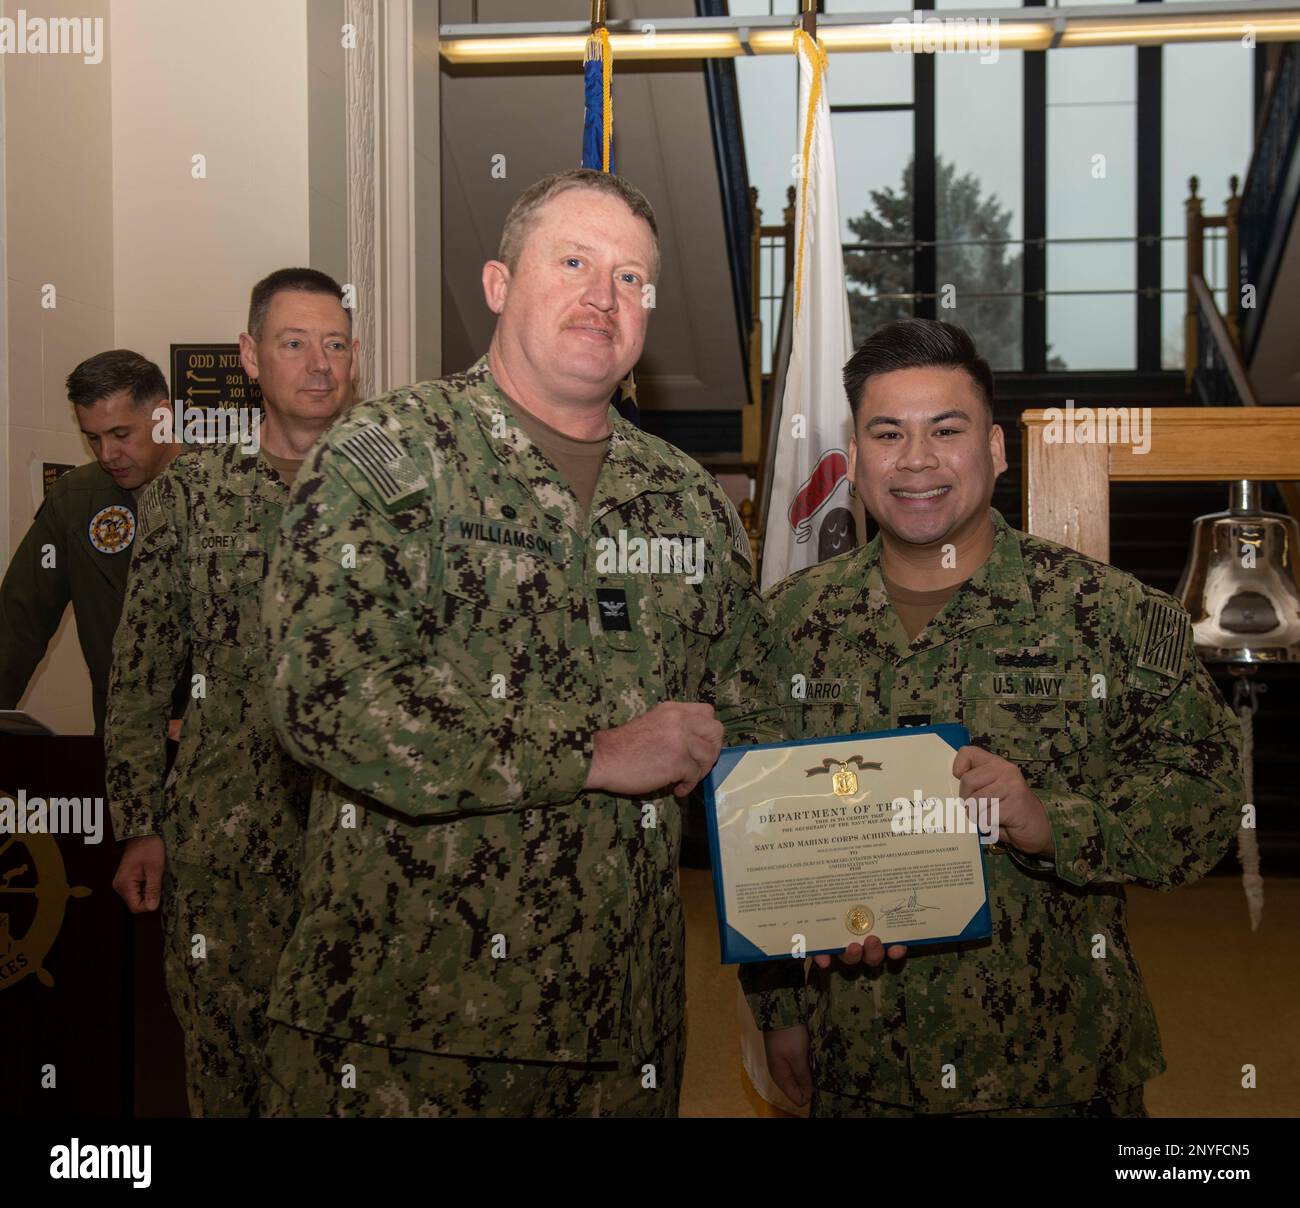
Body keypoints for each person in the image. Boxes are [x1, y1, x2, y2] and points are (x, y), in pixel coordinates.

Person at [259, 168, 775, 1118]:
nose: (601, 296)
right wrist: (596, 755)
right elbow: (324, 701)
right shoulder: (389, 456)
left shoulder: (691, 503)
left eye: (631, 279)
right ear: (499, 285)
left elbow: (750, 722)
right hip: (408, 1036)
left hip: (624, 1039)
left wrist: (843, 885)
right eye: (572, 260)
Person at [743, 318, 1242, 1118]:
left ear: (998, 450)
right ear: (858, 456)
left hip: (1060, 1069)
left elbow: (1209, 806)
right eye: (887, 433)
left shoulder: (1109, 615)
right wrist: (780, 1010)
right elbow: (758, 832)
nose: (916, 460)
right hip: (862, 1064)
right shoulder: (785, 623)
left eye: (947, 430)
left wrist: (1055, 823)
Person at [105, 268, 359, 1117]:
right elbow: (140, 675)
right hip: (224, 849)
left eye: (334, 344)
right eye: (294, 343)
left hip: (368, 847)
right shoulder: (193, 495)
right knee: (228, 1075)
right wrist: (139, 820)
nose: (317, 365)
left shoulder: (398, 495)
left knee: (356, 1073)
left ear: (354, 359)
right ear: (251, 356)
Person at [0, 351, 176, 734]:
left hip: (224, 749)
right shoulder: (76, 500)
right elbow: (19, 620)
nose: (107, 455)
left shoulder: (228, 492)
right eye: (92, 438)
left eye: (120, 434)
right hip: (119, 743)